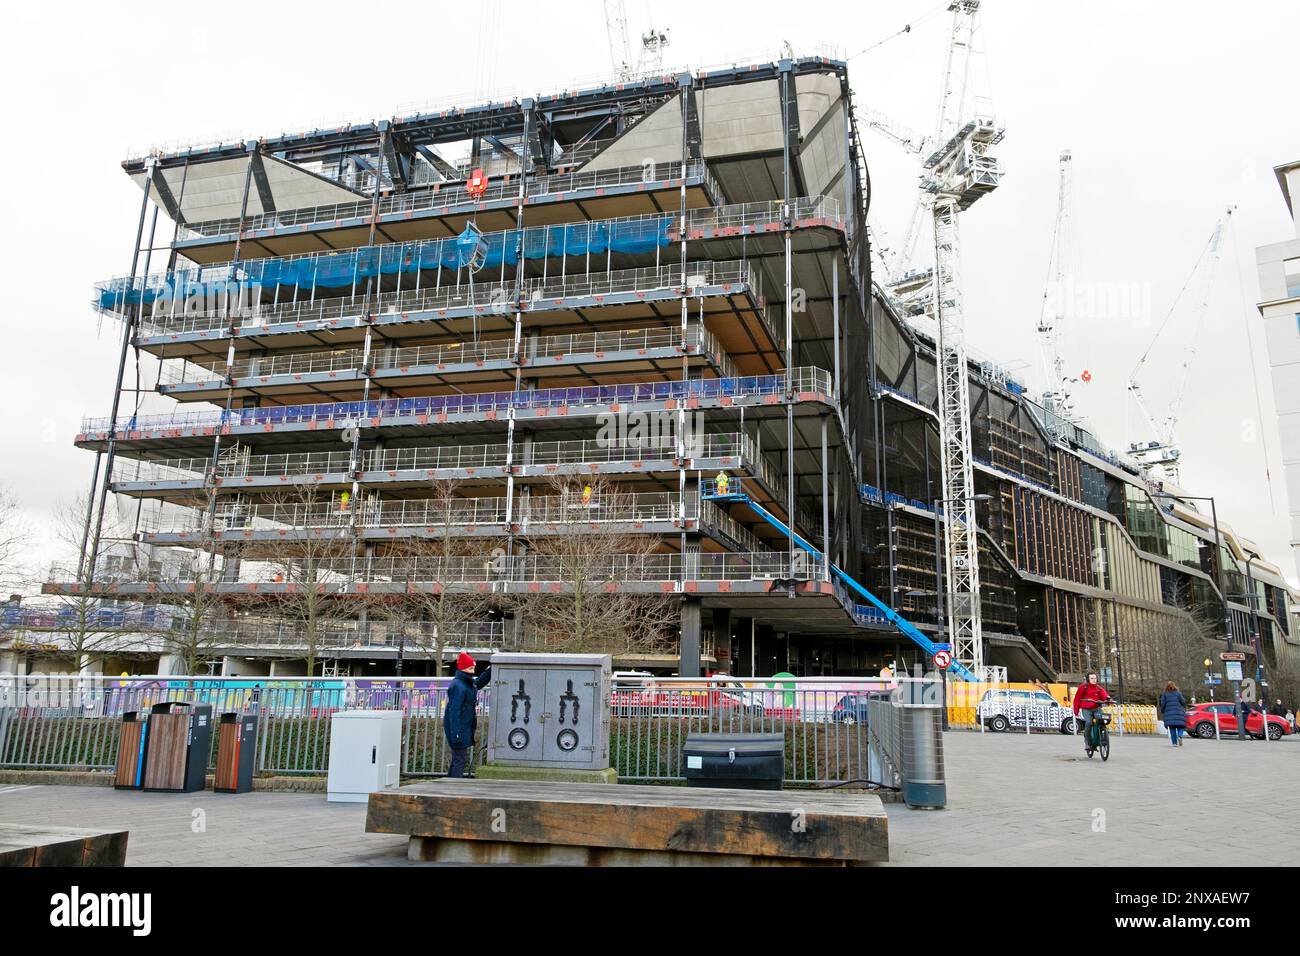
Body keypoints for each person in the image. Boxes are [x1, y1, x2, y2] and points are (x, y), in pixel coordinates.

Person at [444, 652, 492, 778]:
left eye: (473, 668)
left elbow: (478, 683)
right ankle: (453, 788)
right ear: (462, 668)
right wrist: (456, 734)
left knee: (457, 759)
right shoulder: (459, 686)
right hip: (459, 728)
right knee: (459, 760)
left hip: (462, 727)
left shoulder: (466, 683)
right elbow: (454, 712)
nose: (473, 671)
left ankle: (448, 786)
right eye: (470, 668)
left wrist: (490, 671)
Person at [1072, 673, 1111, 746]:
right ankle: (1087, 741)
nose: (1094, 680)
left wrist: (1108, 700)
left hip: (1096, 708)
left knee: (1103, 720)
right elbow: (1077, 699)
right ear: (1088, 679)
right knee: (1089, 723)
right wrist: (1076, 711)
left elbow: (1104, 696)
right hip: (1086, 709)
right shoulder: (1083, 687)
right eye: (1092, 678)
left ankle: (1102, 736)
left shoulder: (1098, 688)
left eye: (1095, 678)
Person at [1157, 681, 1188, 747]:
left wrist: (1163, 711)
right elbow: (1183, 702)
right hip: (1179, 712)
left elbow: (1162, 704)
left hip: (1169, 713)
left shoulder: (1164, 694)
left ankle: (1174, 743)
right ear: (1174, 686)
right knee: (1181, 726)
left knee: (1172, 728)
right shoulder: (1178, 693)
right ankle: (1180, 736)